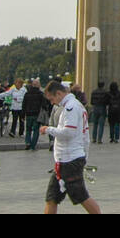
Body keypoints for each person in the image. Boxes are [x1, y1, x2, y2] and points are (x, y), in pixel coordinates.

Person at [40, 79, 101, 214]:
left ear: (59, 93)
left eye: (52, 99)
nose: (52, 103)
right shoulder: (73, 105)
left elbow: (69, 132)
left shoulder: (71, 108)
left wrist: (48, 129)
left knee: (82, 197)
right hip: (65, 159)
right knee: (52, 198)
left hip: (70, 160)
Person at [23, 79, 45, 149]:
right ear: (38, 85)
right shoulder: (41, 94)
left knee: (28, 129)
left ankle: (28, 142)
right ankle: (33, 145)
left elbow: (24, 104)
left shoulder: (27, 93)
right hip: (37, 114)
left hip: (28, 114)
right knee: (36, 130)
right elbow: (43, 105)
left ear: (32, 85)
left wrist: (23, 115)